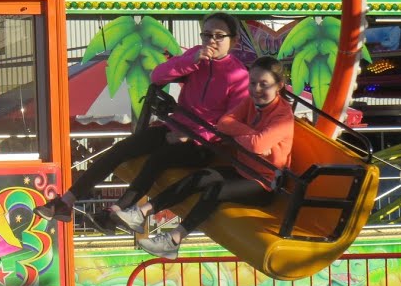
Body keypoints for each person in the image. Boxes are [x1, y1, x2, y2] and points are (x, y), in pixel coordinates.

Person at [35, 12, 249, 228]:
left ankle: (115, 211)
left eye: (219, 36)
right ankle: (66, 202)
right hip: (173, 126)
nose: (211, 41)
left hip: (204, 143)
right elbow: (157, 76)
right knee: (121, 149)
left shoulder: (239, 75)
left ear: (234, 41)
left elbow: (230, 123)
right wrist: (191, 62)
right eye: (206, 35)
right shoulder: (195, 56)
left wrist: (190, 136)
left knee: (157, 159)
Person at [125, 56, 295, 259]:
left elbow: (257, 145)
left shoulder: (283, 117)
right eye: (252, 83)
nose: (256, 89)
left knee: (216, 190)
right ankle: (142, 211)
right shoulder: (250, 103)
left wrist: (247, 137)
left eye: (264, 84)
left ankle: (173, 240)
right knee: (199, 177)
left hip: (265, 182)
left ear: (279, 86)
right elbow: (224, 123)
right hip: (242, 169)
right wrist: (250, 134)